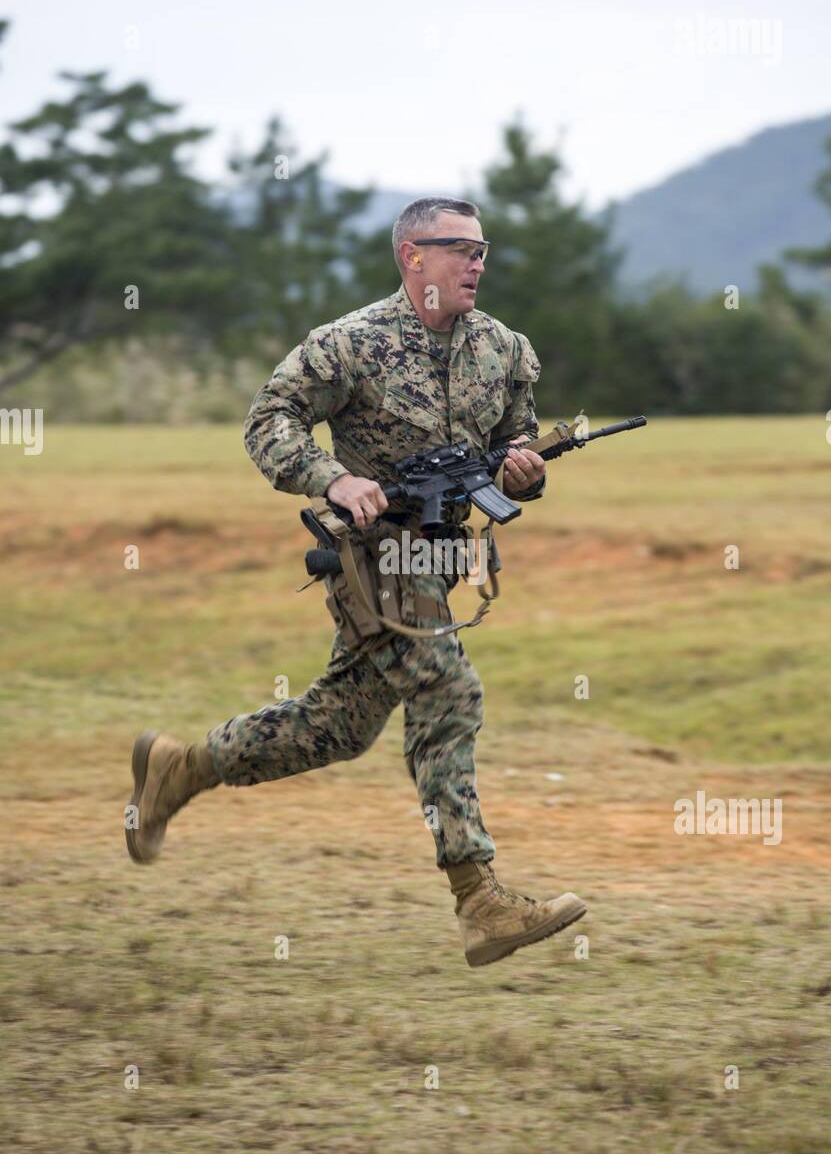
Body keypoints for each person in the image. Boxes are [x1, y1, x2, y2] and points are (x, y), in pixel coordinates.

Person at [125, 197, 586, 967]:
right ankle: (481, 900)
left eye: (482, 250)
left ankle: (183, 767)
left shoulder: (504, 349)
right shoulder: (350, 344)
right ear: (412, 256)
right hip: (375, 559)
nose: (478, 263)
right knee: (448, 691)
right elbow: (268, 420)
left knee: (336, 725)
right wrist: (331, 477)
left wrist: (524, 470)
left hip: (441, 559)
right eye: (459, 248)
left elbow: (511, 443)